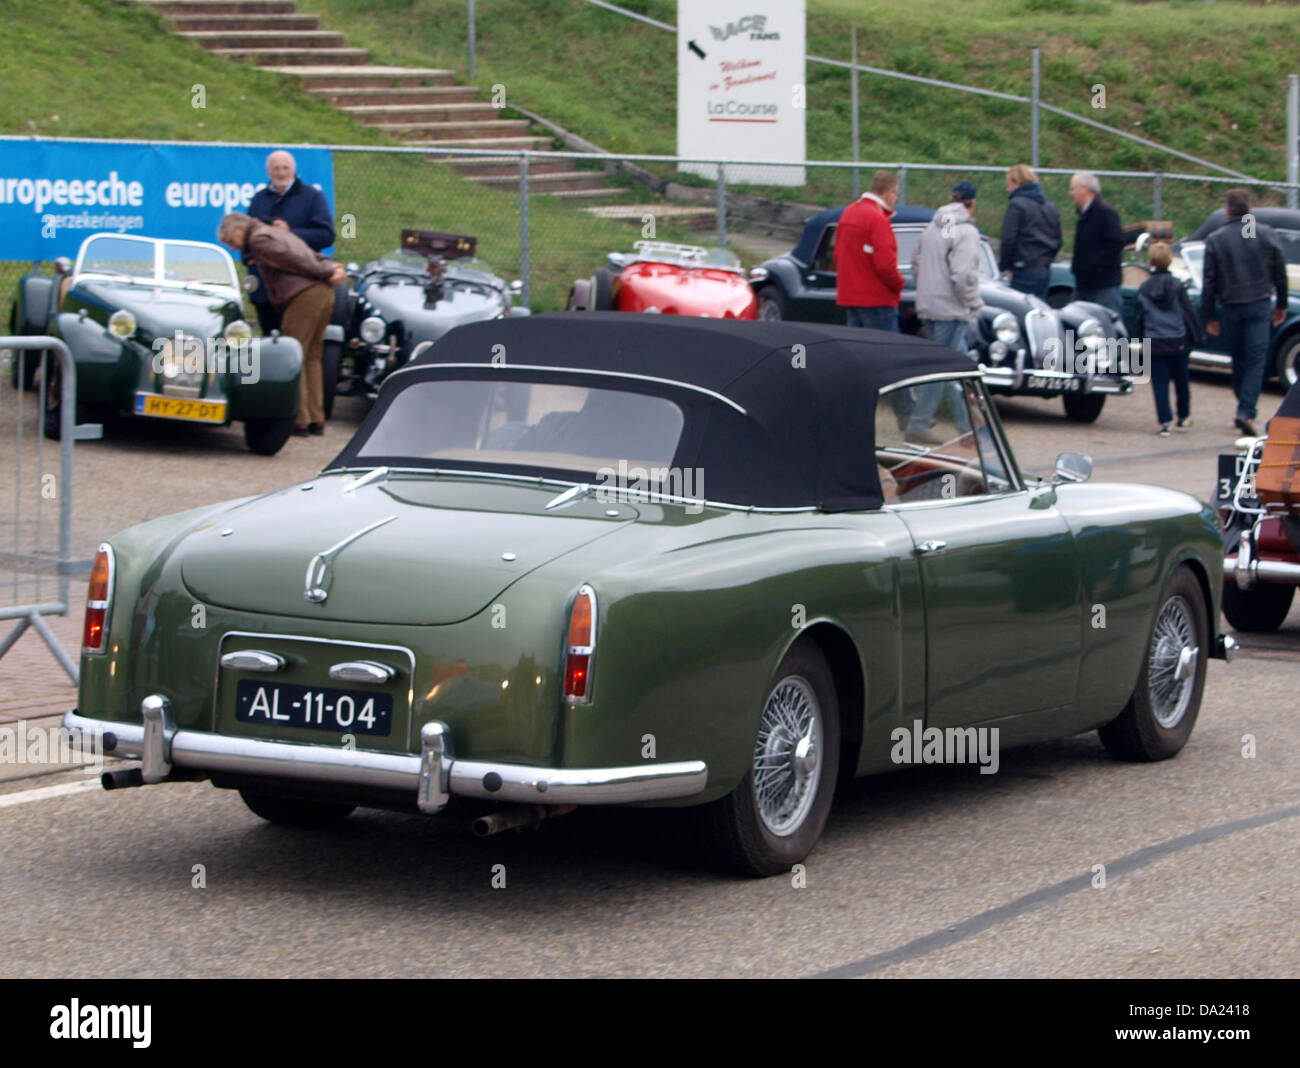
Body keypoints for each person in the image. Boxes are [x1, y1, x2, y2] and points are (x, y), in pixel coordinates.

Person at [218, 212, 345, 437]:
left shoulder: (259, 240)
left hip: (303, 296)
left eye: (231, 242)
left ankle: (299, 419)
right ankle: (317, 417)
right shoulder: (275, 231)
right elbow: (307, 252)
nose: (235, 248)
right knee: (313, 356)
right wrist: (331, 267)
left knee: (294, 355)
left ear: (239, 230)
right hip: (323, 294)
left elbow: (295, 261)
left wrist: (326, 271)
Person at [1201, 189, 1288, 436]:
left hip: (1231, 304)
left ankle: (1244, 405)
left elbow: (1209, 282)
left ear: (1228, 209)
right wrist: (1281, 302)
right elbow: (1279, 271)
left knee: (1238, 358)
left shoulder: (1216, 239)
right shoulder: (1265, 233)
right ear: (1250, 208)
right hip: (1259, 301)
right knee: (1256, 358)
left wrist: (1209, 316)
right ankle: (1246, 409)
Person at [905, 181, 982, 443]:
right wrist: (973, 302)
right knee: (946, 369)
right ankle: (920, 422)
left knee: (954, 366)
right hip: (951, 308)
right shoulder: (966, 232)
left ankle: (967, 427)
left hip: (928, 304)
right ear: (971, 203)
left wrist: (928, 286)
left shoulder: (932, 227)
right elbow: (962, 275)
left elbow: (916, 262)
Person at [244, 150, 335, 336]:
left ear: (293, 170)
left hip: (300, 287)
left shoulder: (312, 197)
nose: (281, 173)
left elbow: (326, 235)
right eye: (276, 168)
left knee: (295, 342)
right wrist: (250, 262)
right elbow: (246, 237)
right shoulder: (259, 199)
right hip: (266, 290)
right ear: (268, 172)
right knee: (269, 340)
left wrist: (290, 233)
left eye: (285, 168)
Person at [1133, 241, 1202, 436]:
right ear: (1170, 260)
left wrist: (1139, 339)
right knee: (1182, 381)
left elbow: (1140, 316)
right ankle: (1184, 415)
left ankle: (1165, 421)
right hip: (1178, 339)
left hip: (1155, 340)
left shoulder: (1145, 287)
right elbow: (1188, 312)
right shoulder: (1177, 286)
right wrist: (1196, 336)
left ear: (1150, 260)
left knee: (1159, 383)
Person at [835, 170, 904, 330]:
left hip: (850, 295)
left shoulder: (849, 212)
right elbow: (885, 265)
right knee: (884, 351)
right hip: (877, 299)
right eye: (896, 195)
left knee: (856, 350)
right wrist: (899, 284)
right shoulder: (878, 219)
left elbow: (838, 254)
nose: (895, 200)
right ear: (889, 193)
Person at [1067, 172, 1125, 318]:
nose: (1070, 193)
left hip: (1103, 286)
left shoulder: (1106, 213)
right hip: (1084, 284)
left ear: (1085, 189)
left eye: (1073, 189)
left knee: (1108, 330)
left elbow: (1116, 243)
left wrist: (1095, 267)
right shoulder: (1084, 215)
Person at [998, 163, 1061, 299]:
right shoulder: (1050, 206)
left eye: (1009, 184)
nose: (1008, 189)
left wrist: (1004, 266)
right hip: (1044, 268)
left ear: (1017, 183)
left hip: (1023, 268)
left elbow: (1008, 239)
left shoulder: (1017, 205)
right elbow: (1058, 239)